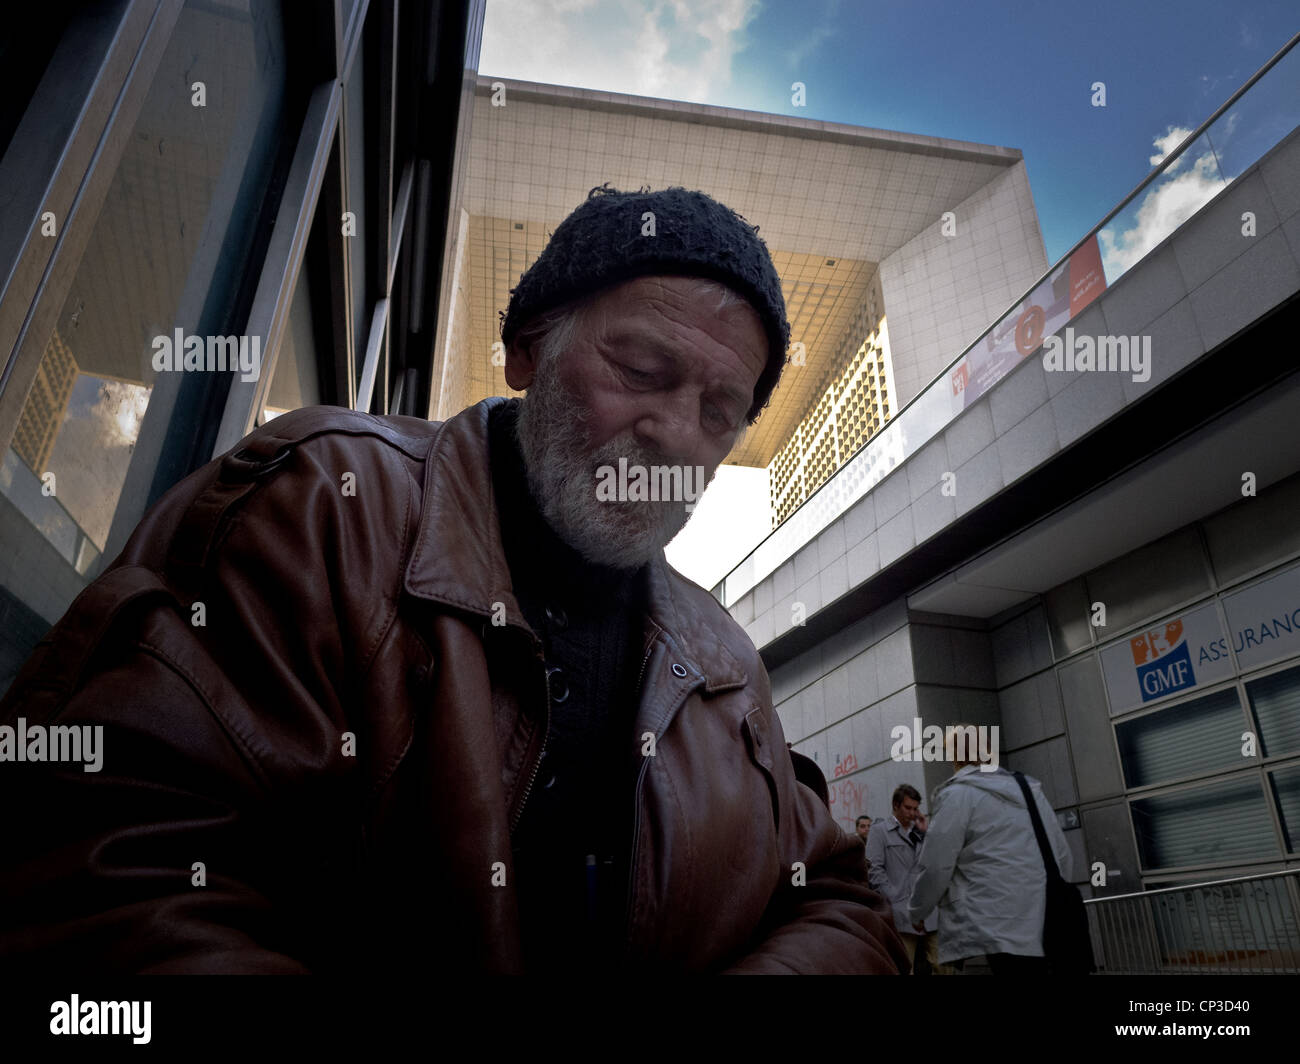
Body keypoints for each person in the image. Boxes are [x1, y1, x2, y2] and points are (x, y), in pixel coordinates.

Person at [0, 185, 908, 976]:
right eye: (640, 371)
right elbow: (100, 867)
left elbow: (842, 904)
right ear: (526, 351)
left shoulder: (724, 666)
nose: (676, 433)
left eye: (720, 412)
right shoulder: (325, 506)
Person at [907, 730, 1072, 974]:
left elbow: (936, 865)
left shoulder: (957, 795)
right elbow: (1062, 856)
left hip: (996, 923)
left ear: (955, 758)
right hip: (1044, 919)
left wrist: (918, 910)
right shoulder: (1029, 790)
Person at [865, 784, 942, 974]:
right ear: (896, 805)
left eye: (915, 808)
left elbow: (934, 863)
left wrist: (925, 834)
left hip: (928, 911)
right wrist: (894, 899)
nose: (912, 813)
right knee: (904, 966)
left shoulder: (920, 831)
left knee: (942, 964)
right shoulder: (880, 831)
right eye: (908, 808)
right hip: (901, 911)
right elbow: (875, 870)